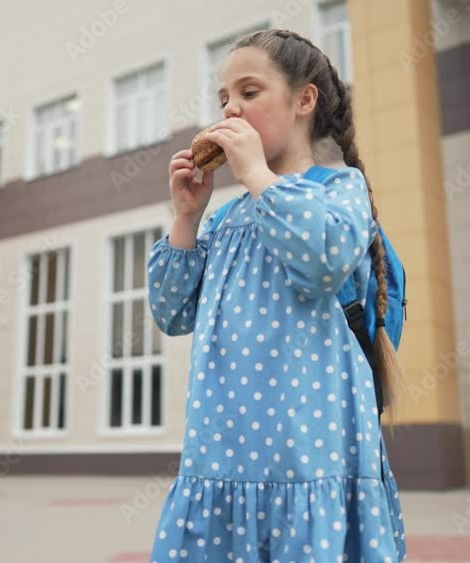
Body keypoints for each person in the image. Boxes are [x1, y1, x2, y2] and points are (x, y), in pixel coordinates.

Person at [146, 28, 406, 562]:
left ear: (304, 100)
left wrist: (259, 175)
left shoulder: (339, 191)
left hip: (309, 458)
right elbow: (172, 314)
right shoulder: (225, 220)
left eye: (249, 92)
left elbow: (322, 259)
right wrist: (187, 218)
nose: (230, 110)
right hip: (222, 458)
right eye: (223, 99)